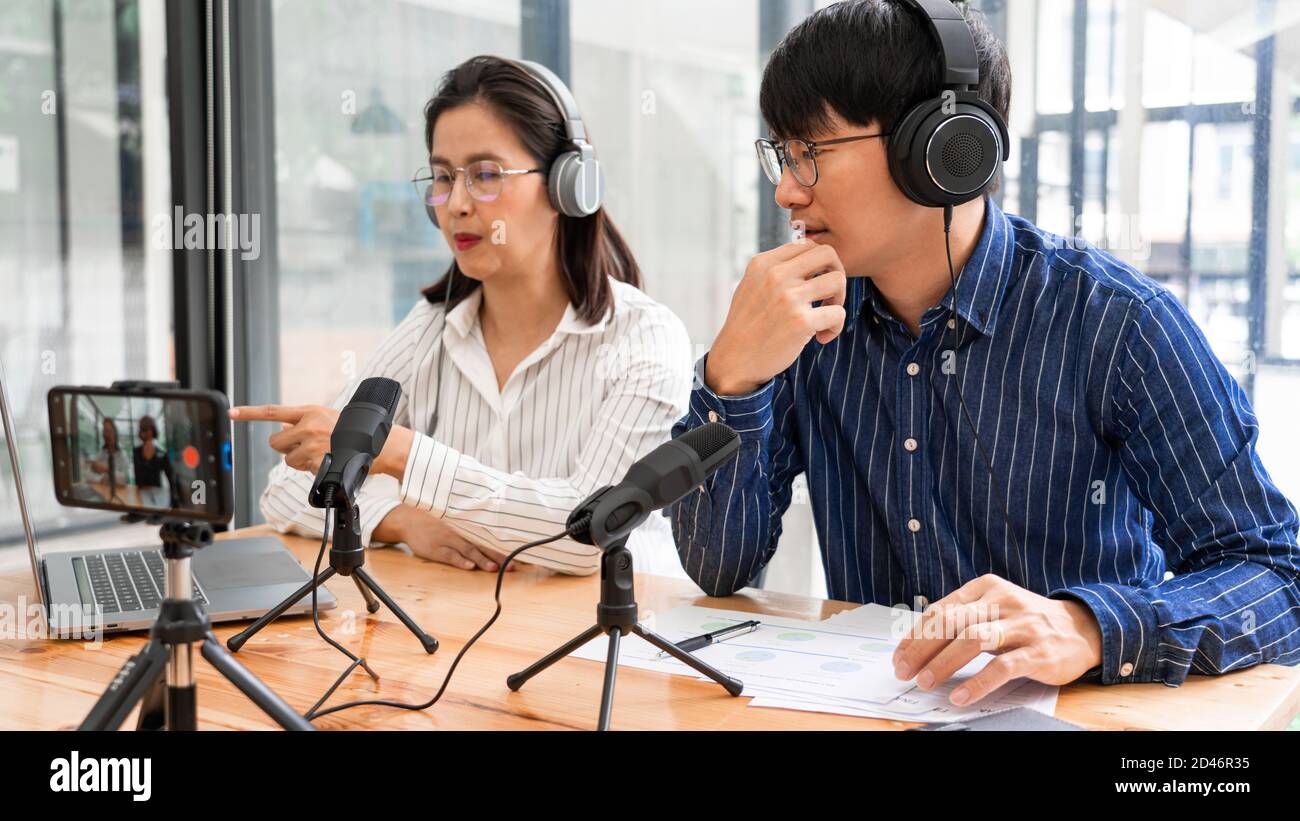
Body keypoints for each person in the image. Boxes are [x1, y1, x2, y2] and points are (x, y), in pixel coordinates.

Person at [668, 0, 1300, 705]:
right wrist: (731, 376)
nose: (786, 189)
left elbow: (1272, 574)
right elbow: (718, 568)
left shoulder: (1118, 322)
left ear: (941, 149)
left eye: (811, 153)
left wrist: (1088, 625)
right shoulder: (803, 321)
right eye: (782, 156)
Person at [233, 55, 693, 578]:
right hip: (468, 637)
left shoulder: (646, 338)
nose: (456, 204)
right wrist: (399, 518)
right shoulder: (429, 329)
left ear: (569, 184)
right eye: (443, 177)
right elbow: (288, 489)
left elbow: (588, 536)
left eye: (486, 175)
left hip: (612, 644)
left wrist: (406, 459)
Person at [132, 415, 175, 509]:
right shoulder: (136, 452)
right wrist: (147, 458)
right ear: (141, 432)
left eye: (149, 429)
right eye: (144, 430)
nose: (147, 433)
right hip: (141, 496)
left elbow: (171, 479)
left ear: (153, 430)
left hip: (157, 496)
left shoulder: (162, 454)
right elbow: (138, 479)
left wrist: (173, 504)